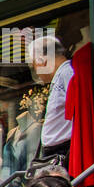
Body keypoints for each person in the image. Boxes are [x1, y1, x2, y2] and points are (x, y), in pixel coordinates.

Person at [30, 34, 74, 164]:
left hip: (64, 150)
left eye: (34, 66)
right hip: (57, 151)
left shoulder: (67, 73)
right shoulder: (62, 75)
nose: (37, 72)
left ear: (41, 60)